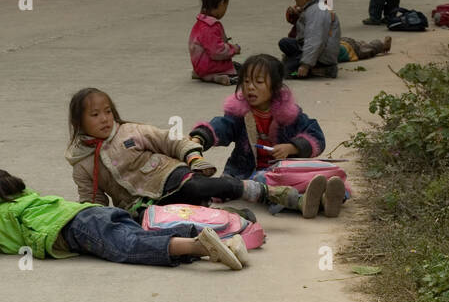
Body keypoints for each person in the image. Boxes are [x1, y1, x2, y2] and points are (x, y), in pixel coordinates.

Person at [66, 86, 290, 220]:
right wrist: (92, 216)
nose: (105, 118)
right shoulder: (82, 163)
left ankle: (266, 192)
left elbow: (169, 140)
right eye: (95, 115)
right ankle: (230, 217)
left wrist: (192, 155)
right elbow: (92, 199)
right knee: (162, 220)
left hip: (168, 176)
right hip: (140, 204)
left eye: (107, 112)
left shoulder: (129, 132)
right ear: (79, 122)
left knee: (198, 186)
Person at [0, 170, 249, 270]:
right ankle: (223, 241)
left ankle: (199, 246)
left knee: (129, 247)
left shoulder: (0, 212)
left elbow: (10, 244)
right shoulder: (29, 198)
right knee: (141, 236)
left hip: (77, 228)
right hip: (91, 213)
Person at [189, 53, 343, 218]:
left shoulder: (290, 114)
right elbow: (222, 126)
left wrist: (292, 147)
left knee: (323, 177)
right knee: (248, 182)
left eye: (259, 82)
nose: (250, 87)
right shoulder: (240, 113)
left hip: (283, 171)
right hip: (247, 174)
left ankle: (328, 199)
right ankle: (302, 202)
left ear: (276, 87)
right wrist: (200, 137)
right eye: (246, 81)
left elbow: (316, 136)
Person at [279, 0, 341, 79]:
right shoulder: (313, 8)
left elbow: (315, 40)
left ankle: (321, 70)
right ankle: (302, 62)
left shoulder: (317, 11)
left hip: (322, 56)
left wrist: (305, 65)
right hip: (314, 50)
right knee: (284, 43)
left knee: (284, 72)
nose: (296, 3)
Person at [189, 0, 241, 84]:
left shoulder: (200, 22)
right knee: (244, 70)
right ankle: (218, 76)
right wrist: (233, 49)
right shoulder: (210, 26)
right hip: (209, 66)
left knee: (234, 65)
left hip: (200, 65)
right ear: (221, 4)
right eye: (225, 7)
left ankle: (207, 76)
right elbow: (217, 52)